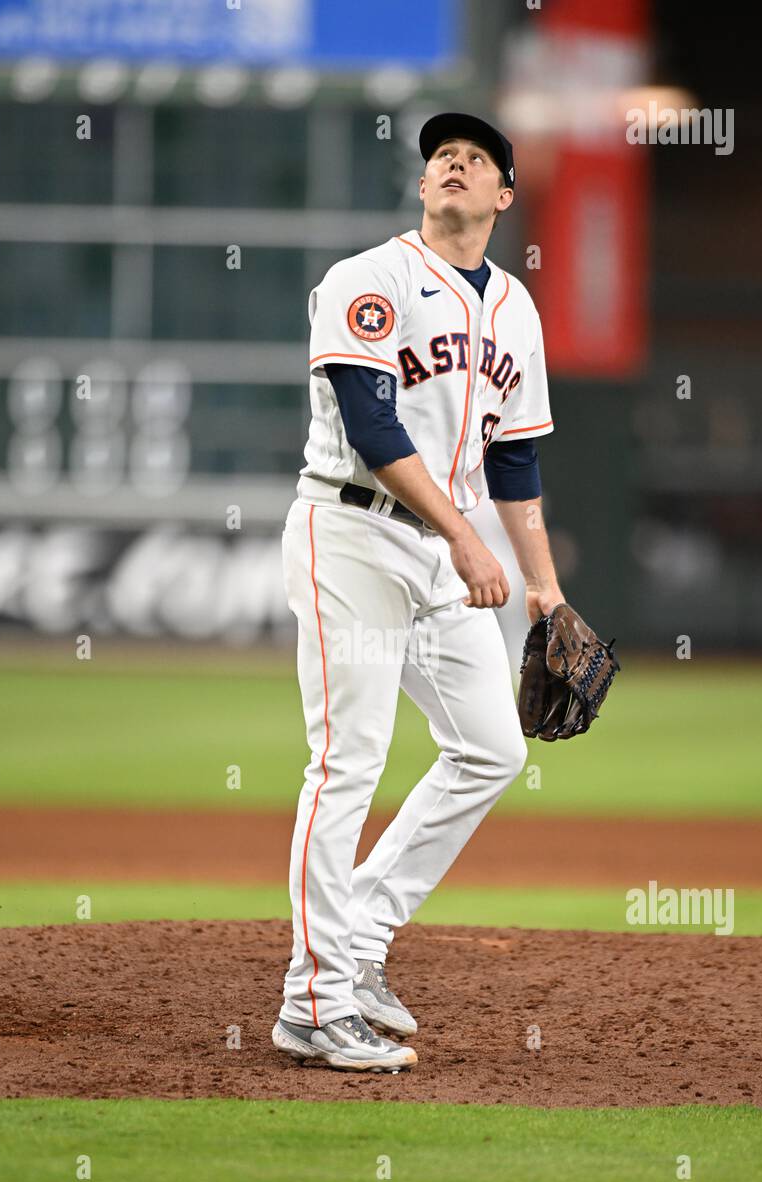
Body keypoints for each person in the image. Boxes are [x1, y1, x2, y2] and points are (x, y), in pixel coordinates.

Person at [272, 112, 565, 1073]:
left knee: (491, 748)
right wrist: (462, 539)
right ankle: (312, 1006)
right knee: (348, 761)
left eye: (477, 158)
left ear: (502, 198)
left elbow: (515, 462)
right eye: (443, 153)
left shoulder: (516, 307)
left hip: (448, 552)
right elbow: (369, 424)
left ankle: (355, 947)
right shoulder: (370, 279)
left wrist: (544, 589)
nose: (455, 161)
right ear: (426, 184)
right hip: (350, 531)